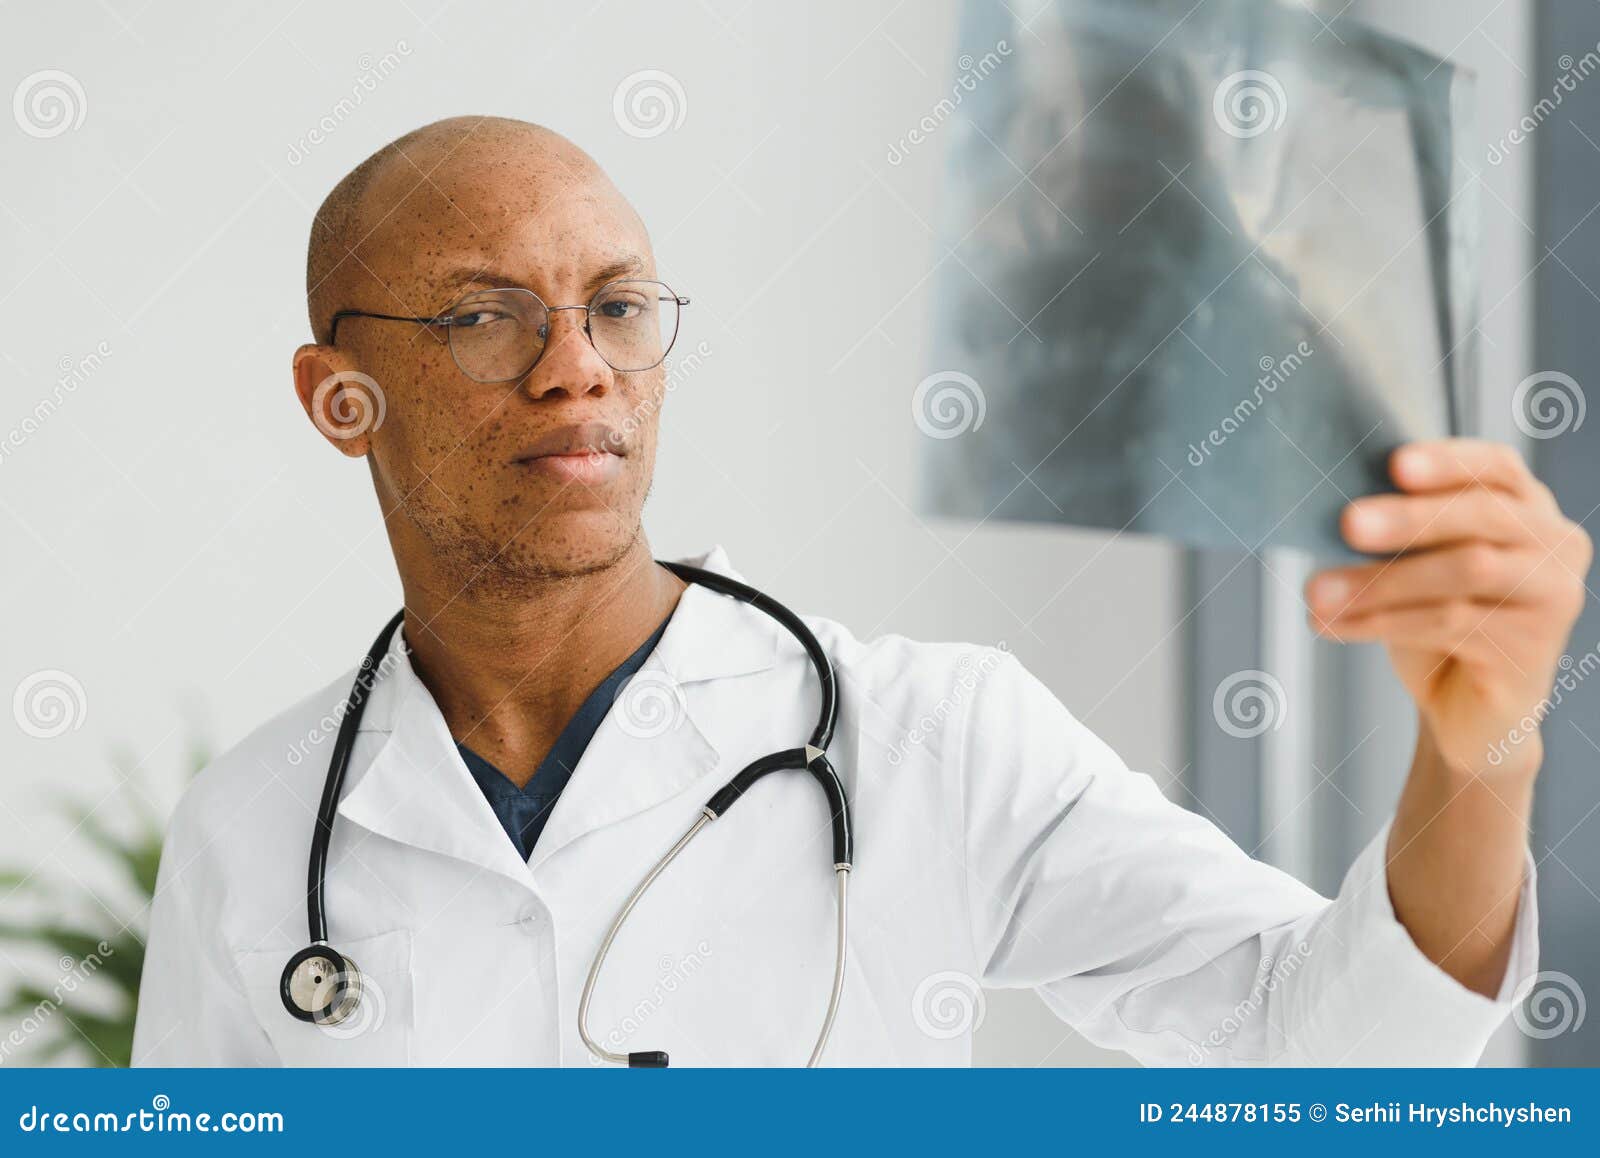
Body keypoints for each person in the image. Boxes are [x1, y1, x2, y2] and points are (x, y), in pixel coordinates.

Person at [132, 116, 1589, 1066]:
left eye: (619, 308)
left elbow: (1326, 1051)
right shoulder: (255, 828)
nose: (575, 364)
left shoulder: (930, 735)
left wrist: (1485, 747)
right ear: (342, 398)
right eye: (481, 315)